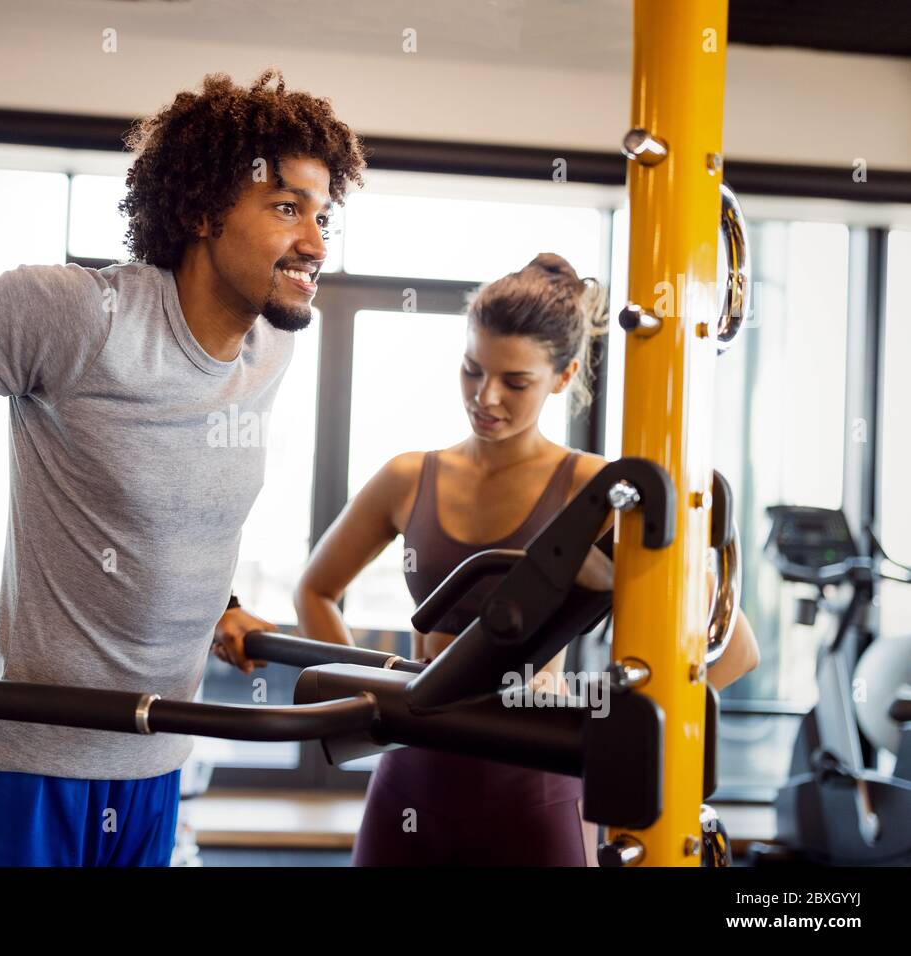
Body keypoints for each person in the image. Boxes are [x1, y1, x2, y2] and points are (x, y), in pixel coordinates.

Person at [0, 69, 366, 866]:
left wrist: (218, 605)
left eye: (323, 215)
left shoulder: (273, 345)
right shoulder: (71, 316)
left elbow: (179, 486)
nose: (315, 242)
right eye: (285, 208)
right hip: (21, 771)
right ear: (201, 210)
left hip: (157, 760)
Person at [288, 253, 761, 866]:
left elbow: (736, 650)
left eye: (516, 382)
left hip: (533, 787)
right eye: (471, 370)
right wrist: (367, 701)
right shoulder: (408, 477)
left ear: (562, 378)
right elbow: (315, 591)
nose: (486, 398)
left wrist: (609, 720)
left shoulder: (598, 492)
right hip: (411, 775)